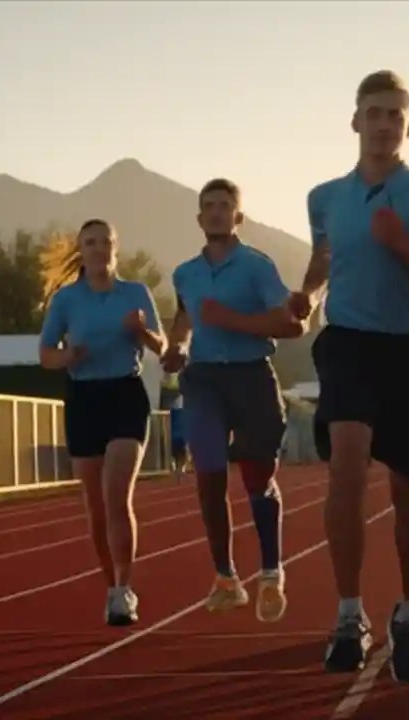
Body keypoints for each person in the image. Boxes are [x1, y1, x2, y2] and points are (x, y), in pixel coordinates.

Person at [295, 70, 409, 682]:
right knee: (346, 462)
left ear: (408, 126)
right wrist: (308, 293)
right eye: (373, 112)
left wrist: (405, 247)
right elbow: (323, 257)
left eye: (395, 114)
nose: (383, 123)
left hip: (408, 350)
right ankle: (349, 614)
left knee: (408, 489)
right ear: (355, 121)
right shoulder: (324, 197)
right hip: (346, 343)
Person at [162, 178, 303, 624]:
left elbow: (291, 326)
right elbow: (184, 319)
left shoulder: (258, 267)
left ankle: (270, 571)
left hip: (251, 377)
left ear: (238, 217)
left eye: (226, 205)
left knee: (258, 480)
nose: (218, 212)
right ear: (200, 218)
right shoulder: (185, 273)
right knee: (208, 475)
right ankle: (225, 578)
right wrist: (177, 347)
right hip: (203, 380)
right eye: (210, 206)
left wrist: (236, 321)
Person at [38, 219, 166, 626]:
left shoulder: (135, 292)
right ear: (81, 250)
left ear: (116, 248)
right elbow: (45, 354)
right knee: (95, 507)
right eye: (89, 243)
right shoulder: (66, 300)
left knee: (116, 495)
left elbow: (161, 346)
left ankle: (124, 590)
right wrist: (67, 356)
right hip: (83, 398)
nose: (97, 249)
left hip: (125, 395)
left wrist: (141, 330)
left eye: (104, 242)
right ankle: (110, 584)